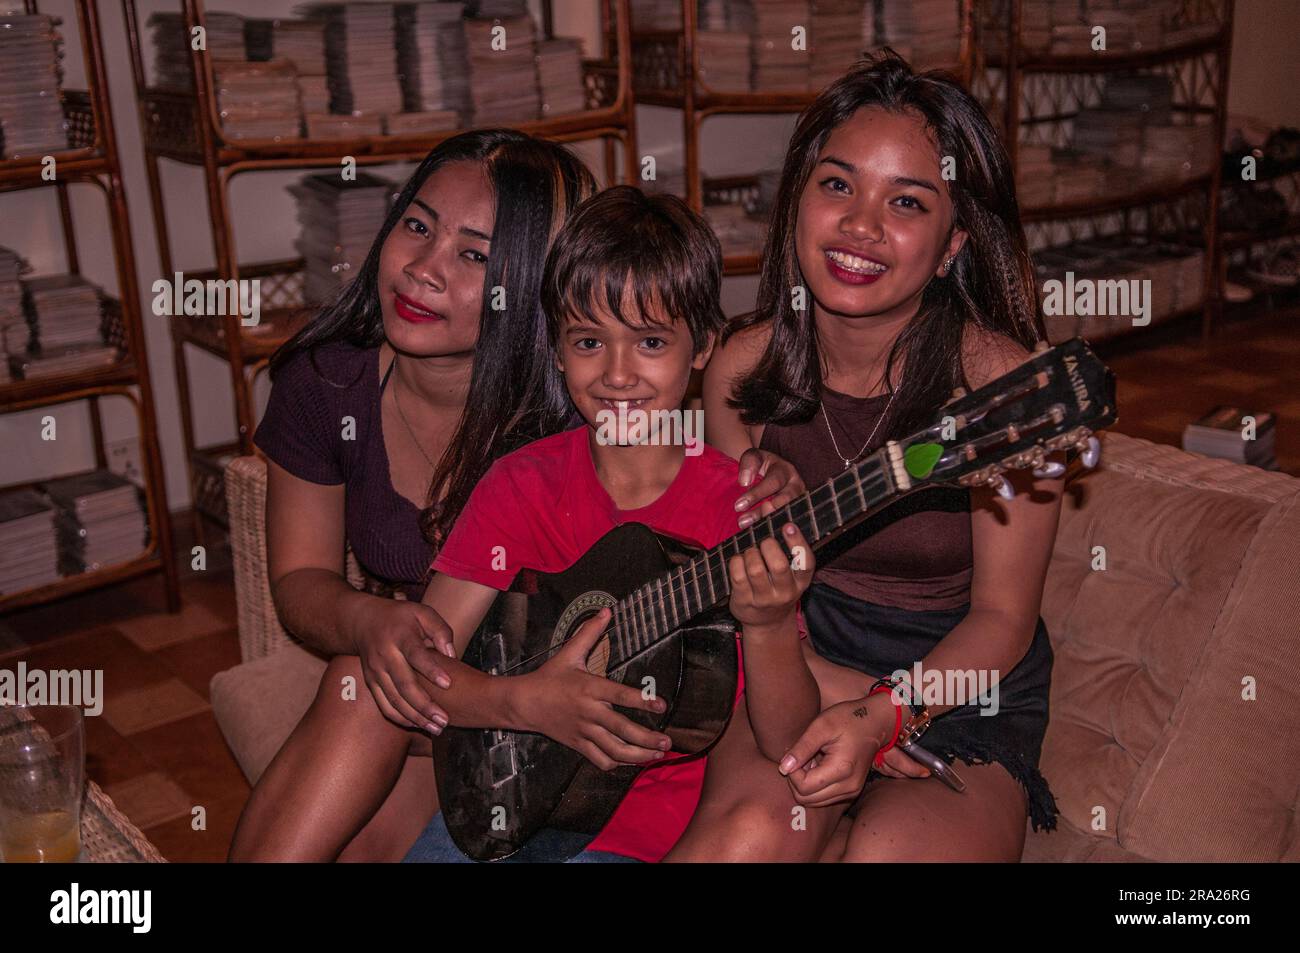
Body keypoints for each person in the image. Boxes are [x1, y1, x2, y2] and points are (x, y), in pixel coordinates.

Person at [675, 51, 1067, 862]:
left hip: (960, 684)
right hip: (798, 658)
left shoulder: (1006, 386)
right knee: (743, 840)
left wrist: (890, 710)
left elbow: (1004, 617)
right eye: (837, 185)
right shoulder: (741, 375)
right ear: (796, 202)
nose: (860, 225)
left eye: (908, 202)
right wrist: (832, 688)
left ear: (955, 241)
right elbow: (750, 587)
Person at [400, 184, 816, 863]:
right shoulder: (520, 485)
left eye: (651, 341)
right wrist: (527, 703)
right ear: (558, 350)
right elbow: (426, 667)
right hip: (505, 804)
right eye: (589, 340)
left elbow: (787, 736)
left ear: (704, 345)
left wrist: (769, 623)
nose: (619, 373)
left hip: (643, 835)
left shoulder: (739, 509)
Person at [229, 130, 597, 861]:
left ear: (527, 284)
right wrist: (368, 619)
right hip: (421, 706)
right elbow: (300, 581)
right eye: (418, 225)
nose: (423, 269)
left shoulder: (574, 421)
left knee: (365, 687)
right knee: (366, 681)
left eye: (473, 255)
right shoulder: (327, 382)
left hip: (539, 715)